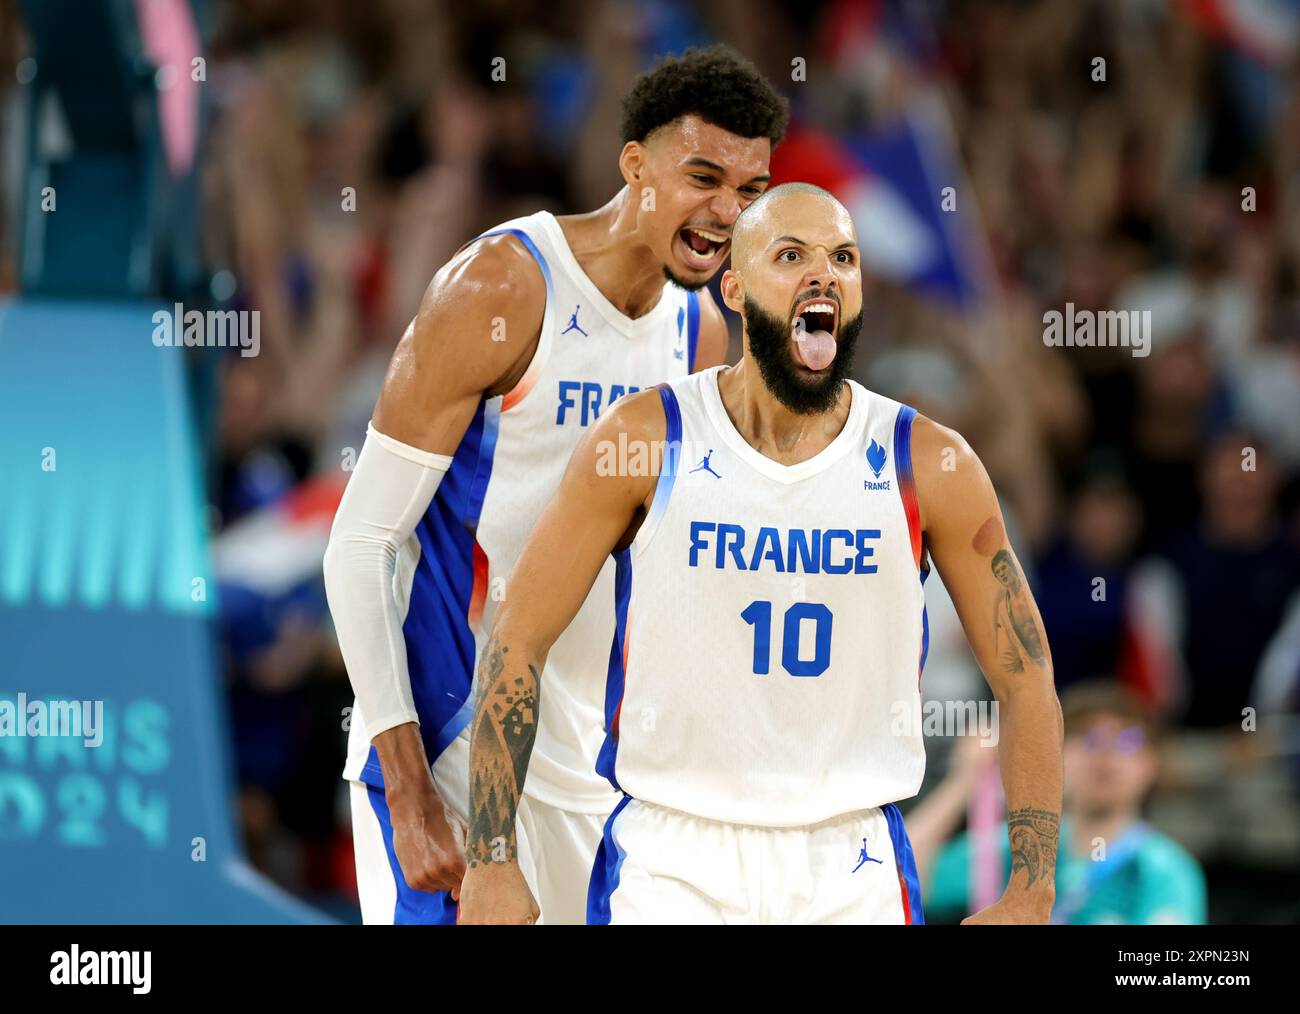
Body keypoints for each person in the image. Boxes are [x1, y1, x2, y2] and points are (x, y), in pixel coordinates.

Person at [457, 183, 1063, 924]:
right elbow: (516, 637)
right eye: (791, 255)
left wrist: (1032, 889)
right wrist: (491, 856)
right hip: (670, 859)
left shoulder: (928, 463)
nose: (823, 275)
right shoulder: (646, 438)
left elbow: (1026, 676)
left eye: (843, 257)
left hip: (853, 859)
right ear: (736, 290)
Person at [322, 45, 788, 924]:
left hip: (590, 769)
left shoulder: (703, 337)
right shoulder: (503, 285)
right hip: (450, 740)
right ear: (634, 165)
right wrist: (409, 788)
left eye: (750, 192)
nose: (726, 211)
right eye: (702, 177)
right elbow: (359, 544)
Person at [914, 681, 1207, 924]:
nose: (1106, 754)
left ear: (1151, 765)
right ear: (1054, 757)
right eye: (1088, 738)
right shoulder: (1017, 845)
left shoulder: (1164, 868)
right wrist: (964, 780)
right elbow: (900, 875)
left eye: (1128, 741)